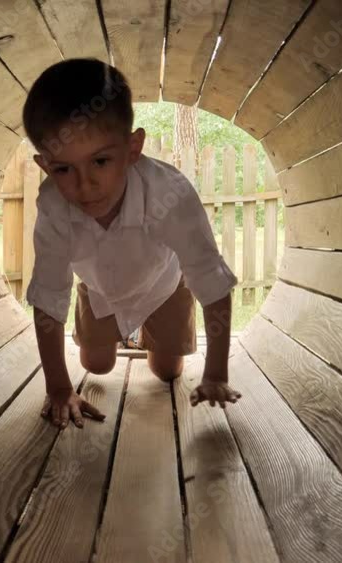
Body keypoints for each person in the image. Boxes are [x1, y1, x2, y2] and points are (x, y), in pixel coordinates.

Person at [23, 58, 242, 429]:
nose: (84, 185)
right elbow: (47, 296)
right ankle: (122, 333)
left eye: (101, 161)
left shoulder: (168, 193)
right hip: (100, 289)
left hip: (165, 285)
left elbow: (211, 278)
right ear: (45, 166)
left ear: (133, 148)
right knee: (96, 366)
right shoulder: (54, 206)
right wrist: (58, 388)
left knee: (167, 373)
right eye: (63, 169)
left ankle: (147, 335)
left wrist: (216, 372)